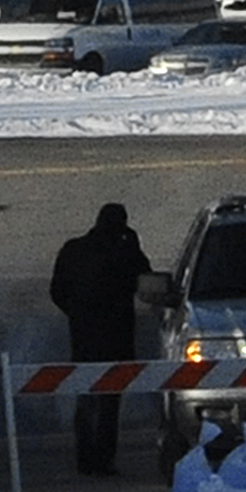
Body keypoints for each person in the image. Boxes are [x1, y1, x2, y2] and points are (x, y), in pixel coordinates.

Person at [49, 202, 152, 476]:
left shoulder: (73, 249)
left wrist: (76, 314)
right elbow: (146, 278)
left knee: (87, 396)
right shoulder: (124, 250)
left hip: (84, 336)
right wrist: (132, 242)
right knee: (109, 401)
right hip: (117, 335)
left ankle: (86, 458)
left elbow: (57, 290)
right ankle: (104, 459)